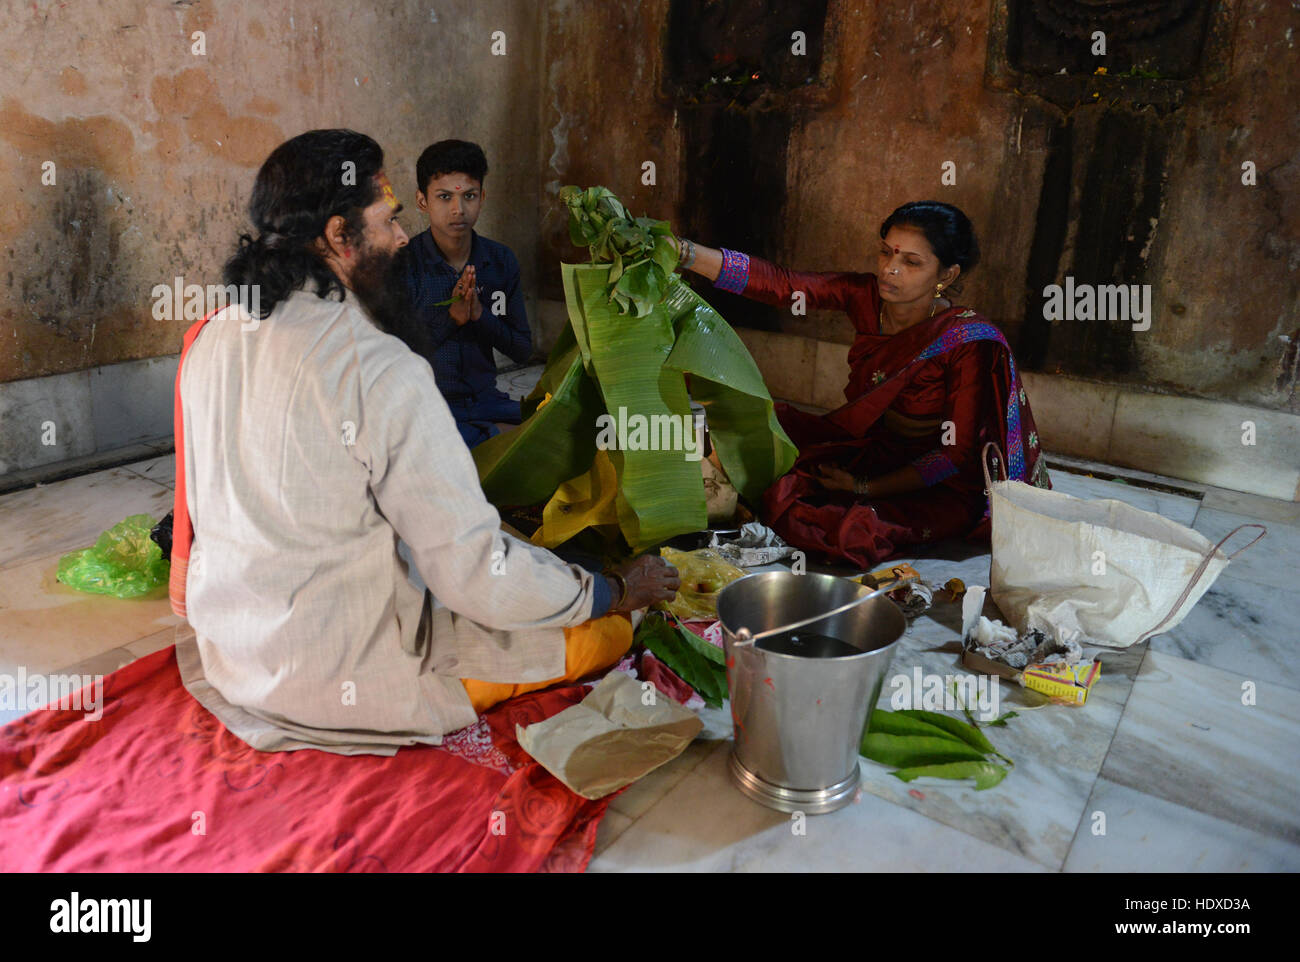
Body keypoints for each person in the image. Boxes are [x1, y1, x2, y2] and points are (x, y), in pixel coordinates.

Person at [170, 129, 678, 755]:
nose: (401, 237)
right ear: (339, 235)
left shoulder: (212, 339)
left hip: (237, 655)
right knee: (600, 633)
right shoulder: (377, 367)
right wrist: (612, 591)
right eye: (388, 220)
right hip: (343, 679)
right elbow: (473, 573)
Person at [675, 201, 1050, 568]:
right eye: (886, 253)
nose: (891, 269)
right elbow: (784, 286)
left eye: (911, 262)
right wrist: (686, 253)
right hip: (875, 445)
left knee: (850, 531)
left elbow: (953, 456)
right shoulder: (865, 297)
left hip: (939, 481)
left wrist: (862, 488)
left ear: (947, 276)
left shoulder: (965, 341)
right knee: (756, 425)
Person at [401, 139, 532, 447]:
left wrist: (479, 316)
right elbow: (399, 357)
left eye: (469, 196)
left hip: (486, 400)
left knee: (562, 433)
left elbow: (523, 350)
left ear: (482, 198)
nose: (458, 210)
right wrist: (451, 318)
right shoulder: (404, 264)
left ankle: (490, 435)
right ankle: (489, 438)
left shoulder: (500, 260)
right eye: (444, 197)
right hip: (429, 404)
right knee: (445, 448)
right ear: (422, 201)